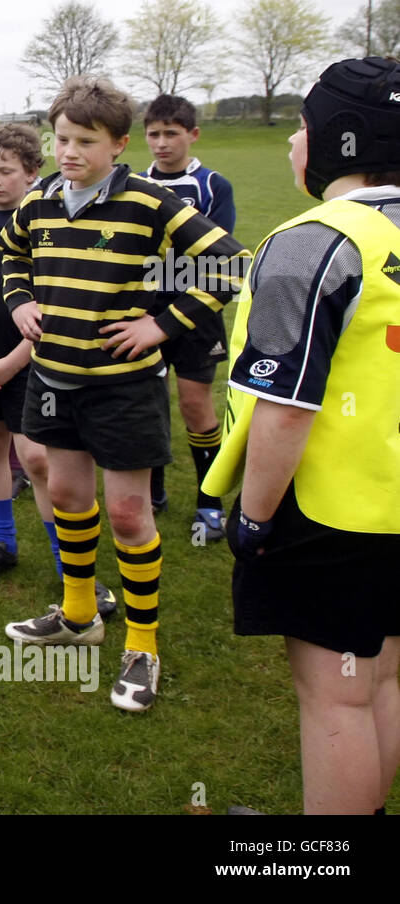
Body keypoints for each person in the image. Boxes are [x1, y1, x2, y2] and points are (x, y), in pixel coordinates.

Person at [0, 76, 246, 712]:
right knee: (68, 496)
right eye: (61, 140)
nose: (70, 152)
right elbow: (11, 253)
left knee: (131, 516)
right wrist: (21, 302)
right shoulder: (39, 203)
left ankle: (143, 646)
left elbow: (229, 262)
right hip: (53, 378)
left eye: (86, 141)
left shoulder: (150, 201)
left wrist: (161, 325)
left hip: (123, 389)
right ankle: (80, 615)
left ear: (118, 143)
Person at [203, 57, 400, 814]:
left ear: (339, 142)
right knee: (379, 676)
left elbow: (284, 405)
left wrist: (253, 516)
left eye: (302, 126)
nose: (292, 141)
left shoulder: (313, 239)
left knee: (336, 699)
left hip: (327, 513)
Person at [0, 124, 117, 619]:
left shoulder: (52, 226)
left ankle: (71, 568)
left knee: (37, 460)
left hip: (32, 365)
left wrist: (13, 361)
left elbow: (58, 308)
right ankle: (3, 545)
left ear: (33, 172)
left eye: (6, 171)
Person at [139, 95, 238, 542]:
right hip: (146, 311)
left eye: (171, 134)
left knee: (196, 405)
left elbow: (219, 256)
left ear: (192, 135)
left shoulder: (214, 185)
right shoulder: (137, 184)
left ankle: (209, 500)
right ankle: (153, 491)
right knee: (150, 402)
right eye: (154, 134)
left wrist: (166, 261)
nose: (161, 143)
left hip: (199, 310)